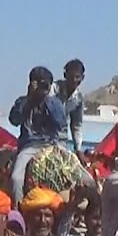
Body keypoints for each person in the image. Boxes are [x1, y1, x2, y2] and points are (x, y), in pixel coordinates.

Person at [8, 66, 69, 205]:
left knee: (84, 177)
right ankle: (19, 212)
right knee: (16, 179)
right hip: (29, 147)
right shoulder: (22, 101)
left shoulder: (54, 102)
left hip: (52, 146)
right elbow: (14, 120)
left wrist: (45, 98)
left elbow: (60, 122)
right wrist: (29, 99)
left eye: (45, 83)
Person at [58, 59, 87, 159]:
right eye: (71, 77)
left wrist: (78, 149)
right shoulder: (52, 90)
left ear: (82, 77)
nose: (74, 80)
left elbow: (76, 125)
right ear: (65, 76)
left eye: (77, 77)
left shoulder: (78, 98)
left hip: (61, 141)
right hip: (43, 139)